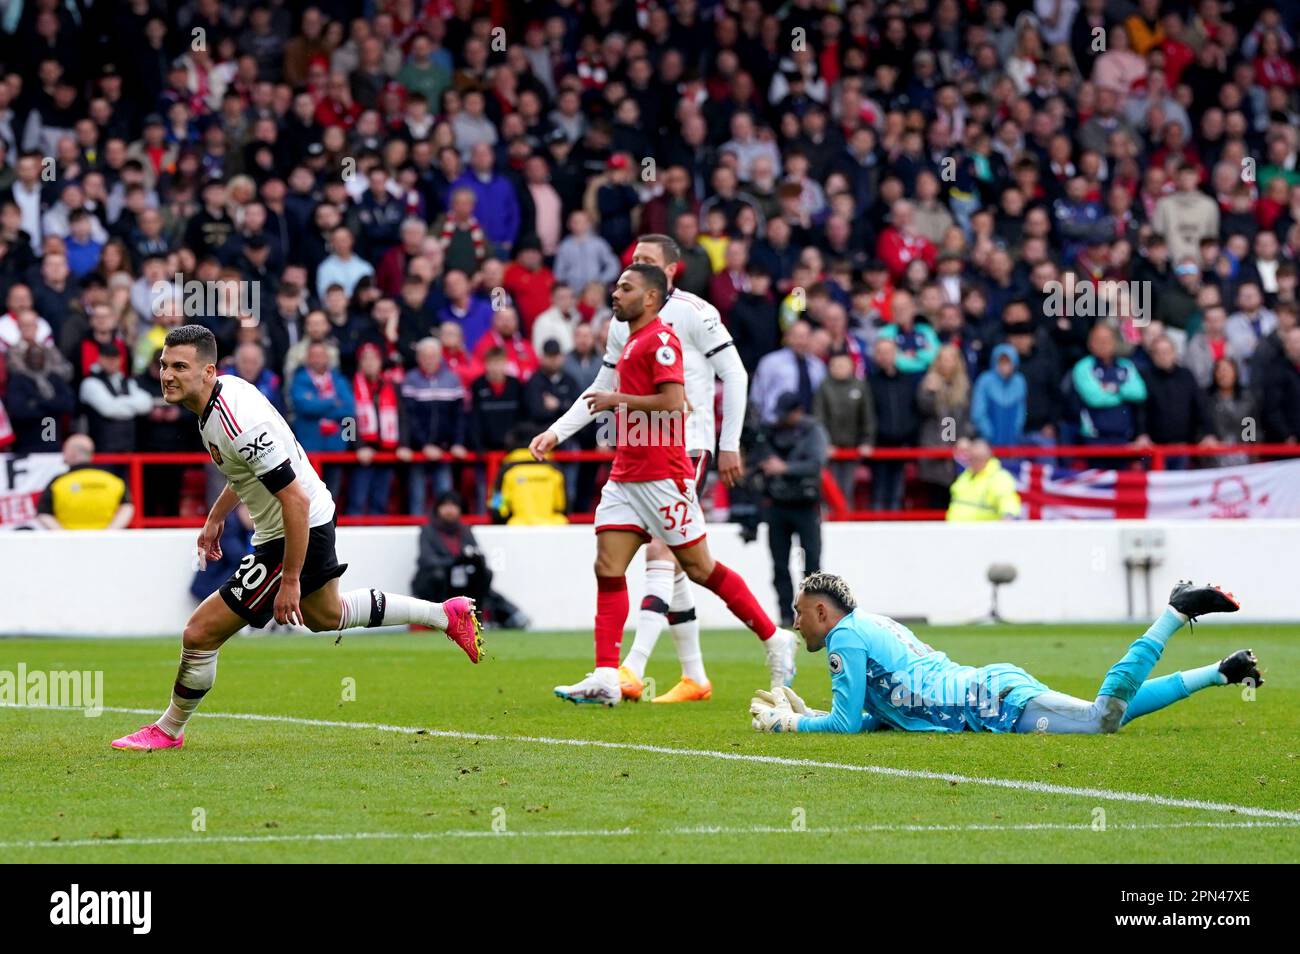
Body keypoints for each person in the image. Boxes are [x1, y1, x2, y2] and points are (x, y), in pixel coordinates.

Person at [109, 325, 482, 752]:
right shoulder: (219, 397)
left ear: (208, 371)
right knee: (325, 615)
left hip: (294, 528)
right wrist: (216, 517)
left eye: (180, 366)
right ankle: (444, 615)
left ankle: (168, 729)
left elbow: (294, 500)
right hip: (304, 518)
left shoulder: (234, 419)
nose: (167, 375)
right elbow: (250, 471)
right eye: (163, 365)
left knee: (199, 633)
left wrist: (289, 579)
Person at [537, 265, 797, 706]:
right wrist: (557, 431)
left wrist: (618, 400)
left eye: (626, 288)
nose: (615, 294)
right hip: (626, 474)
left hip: (663, 475)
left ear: (652, 298)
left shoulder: (660, 340)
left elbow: (674, 402)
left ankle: (774, 639)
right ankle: (606, 676)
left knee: (699, 569)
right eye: (617, 286)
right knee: (607, 566)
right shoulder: (628, 340)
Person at [750, 572, 1261, 735]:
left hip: (985, 701)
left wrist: (788, 726)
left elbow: (843, 726)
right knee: (1105, 716)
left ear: (821, 612)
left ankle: (1173, 613)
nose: (794, 623)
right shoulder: (867, 625)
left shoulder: (844, 639)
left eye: (798, 612)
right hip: (983, 688)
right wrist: (815, 714)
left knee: (1099, 720)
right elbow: (879, 719)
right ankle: (1221, 671)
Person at [757, 392, 829, 628]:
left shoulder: (813, 431)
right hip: (777, 505)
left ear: (798, 411)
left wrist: (784, 468)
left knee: (811, 564)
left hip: (805, 506)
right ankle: (786, 615)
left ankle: (812, 615)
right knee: (779, 565)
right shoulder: (769, 432)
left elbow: (816, 463)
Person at [413, 492, 528, 630]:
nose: (449, 510)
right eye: (445, 506)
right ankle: (442, 618)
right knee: (437, 575)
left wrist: (470, 560)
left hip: (462, 583)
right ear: (438, 509)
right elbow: (427, 560)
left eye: (453, 506)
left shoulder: (464, 530)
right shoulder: (428, 531)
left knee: (484, 574)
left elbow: (478, 555)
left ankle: (481, 618)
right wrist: (455, 562)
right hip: (438, 583)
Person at [36, 434, 134, 530]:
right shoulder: (113, 481)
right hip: (104, 541)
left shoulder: (58, 483)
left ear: (71, 453)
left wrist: (64, 534)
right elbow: (128, 507)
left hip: (69, 543)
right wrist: (110, 531)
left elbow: (43, 513)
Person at [945, 438, 1022, 522]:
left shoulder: (999, 478)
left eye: (978, 458)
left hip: (982, 533)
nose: (974, 462)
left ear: (988, 457)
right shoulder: (966, 475)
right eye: (972, 458)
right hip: (955, 531)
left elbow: (1009, 503)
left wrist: (1008, 518)